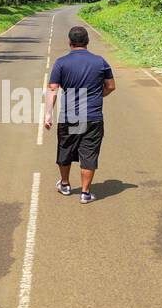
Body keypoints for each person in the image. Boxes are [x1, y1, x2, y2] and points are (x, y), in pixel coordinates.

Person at [42, 25, 115, 203]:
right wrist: (98, 95)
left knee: (65, 150)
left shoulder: (61, 62)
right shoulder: (100, 62)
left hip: (70, 116)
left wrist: (48, 115)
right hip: (93, 117)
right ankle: (85, 193)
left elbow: (53, 90)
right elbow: (111, 86)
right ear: (87, 41)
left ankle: (65, 185)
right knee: (89, 153)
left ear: (69, 42)